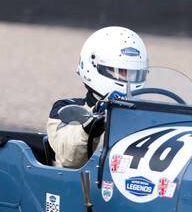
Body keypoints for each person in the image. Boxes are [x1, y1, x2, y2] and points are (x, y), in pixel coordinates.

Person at [46, 26, 148, 168]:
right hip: (77, 186)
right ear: (92, 66)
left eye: (134, 73)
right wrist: (93, 122)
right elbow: (68, 159)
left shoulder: (144, 115)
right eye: (120, 72)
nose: (128, 80)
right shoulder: (68, 110)